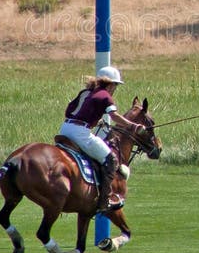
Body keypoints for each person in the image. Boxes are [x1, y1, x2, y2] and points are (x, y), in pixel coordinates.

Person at [58, 65, 145, 212]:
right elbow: (114, 116)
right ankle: (105, 200)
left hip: (65, 129)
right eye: (116, 85)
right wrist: (133, 126)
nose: (115, 88)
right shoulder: (105, 95)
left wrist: (93, 120)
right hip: (81, 133)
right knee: (111, 159)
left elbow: (70, 111)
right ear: (110, 84)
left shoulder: (86, 92)